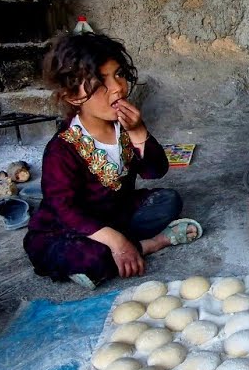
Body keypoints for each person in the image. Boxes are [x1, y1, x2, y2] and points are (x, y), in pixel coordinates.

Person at [24, 32, 201, 289]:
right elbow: (65, 211)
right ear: (73, 97)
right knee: (87, 258)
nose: (117, 87)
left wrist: (139, 132)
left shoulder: (124, 127)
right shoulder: (62, 149)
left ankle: (122, 245)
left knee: (168, 200)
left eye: (118, 74)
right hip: (69, 228)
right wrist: (117, 242)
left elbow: (155, 171)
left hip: (117, 212)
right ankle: (149, 245)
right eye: (101, 82)